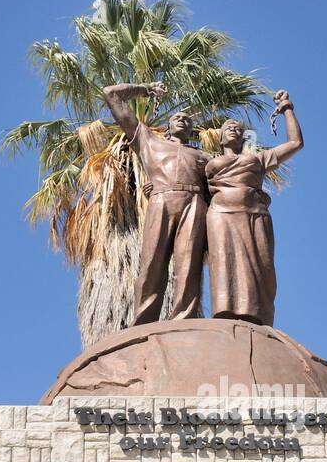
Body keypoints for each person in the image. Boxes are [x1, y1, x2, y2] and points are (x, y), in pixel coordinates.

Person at [102, 81, 209, 325]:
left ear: (192, 130)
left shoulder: (203, 157)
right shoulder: (149, 140)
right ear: (168, 127)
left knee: (189, 264)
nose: (182, 118)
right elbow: (110, 94)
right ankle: (143, 322)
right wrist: (145, 88)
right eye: (177, 117)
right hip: (161, 199)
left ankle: (183, 318)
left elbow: (222, 183)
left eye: (187, 119)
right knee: (152, 263)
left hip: (194, 202)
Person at [204, 90, 303, 326]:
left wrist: (287, 108)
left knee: (262, 267)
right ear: (219, 138)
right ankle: (225, 315)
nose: (234, 129)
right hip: (220, 216)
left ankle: (259, 317)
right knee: (224, 263)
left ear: (243, 137)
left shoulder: (257, 160)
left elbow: (295, 143)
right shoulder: (207, 163)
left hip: (254, 215)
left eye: (238, 127)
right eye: (228, 126)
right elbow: (182, 181)